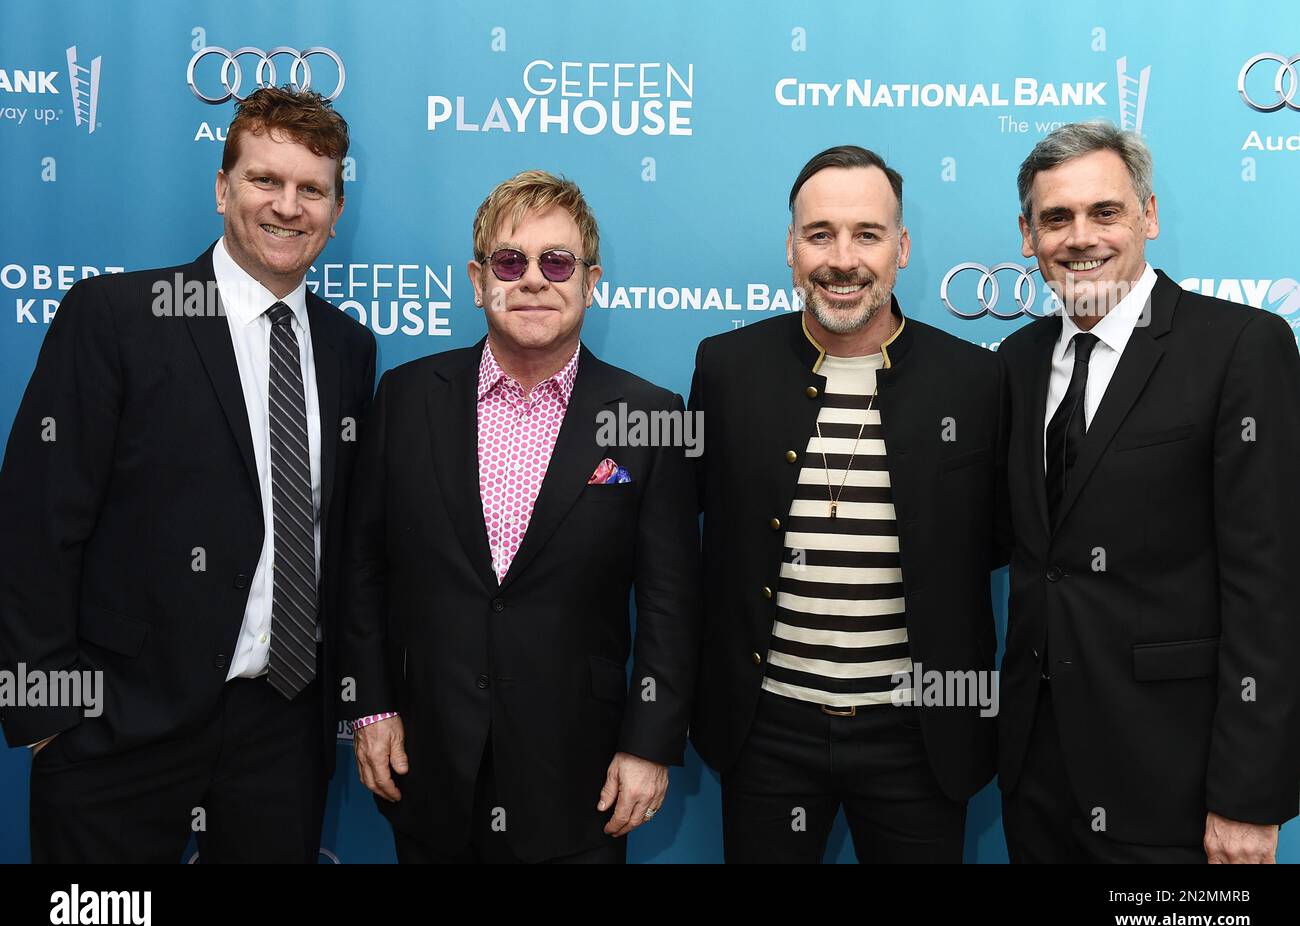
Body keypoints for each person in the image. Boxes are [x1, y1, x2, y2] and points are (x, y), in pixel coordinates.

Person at [0, 86, 376, 862]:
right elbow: (36, 522)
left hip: (281, 730)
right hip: (116, 730)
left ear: (337, 211)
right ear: (221, 189)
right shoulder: (117, 317)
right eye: (265, 180)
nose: (288, 206)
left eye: (312, 189)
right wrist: (47, 720)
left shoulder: (348, 350)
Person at [341, 170, 700, 864]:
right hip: (428, 764)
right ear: (478, 280)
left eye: (557, 262)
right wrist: (372, 707)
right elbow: (363, 567)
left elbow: (671, 604)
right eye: (511, 261)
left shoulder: (650, 418)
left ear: (590, 281)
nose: (533, 279)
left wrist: (648, 745)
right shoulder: (407, 396)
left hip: (581, 775)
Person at [689, 145, 1007, 863]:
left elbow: (994, 541)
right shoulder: (726, 369)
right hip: (767, 733)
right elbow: (695, 537)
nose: (842, 258)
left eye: (867, 234)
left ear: (902, 249)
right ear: (791, 251)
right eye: (819, 234)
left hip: (920, 739)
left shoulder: (976, 382)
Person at [997, 120, 1300, 863]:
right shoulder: (1017, 360)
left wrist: (1248, 796)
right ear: (1028, 235)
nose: (1081, 237)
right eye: (1056, 218)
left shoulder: (1240, 348)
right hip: (1037, 778)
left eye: (1106, 211)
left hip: (1178, 786)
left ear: (1149, 217)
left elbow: (1272, 588)